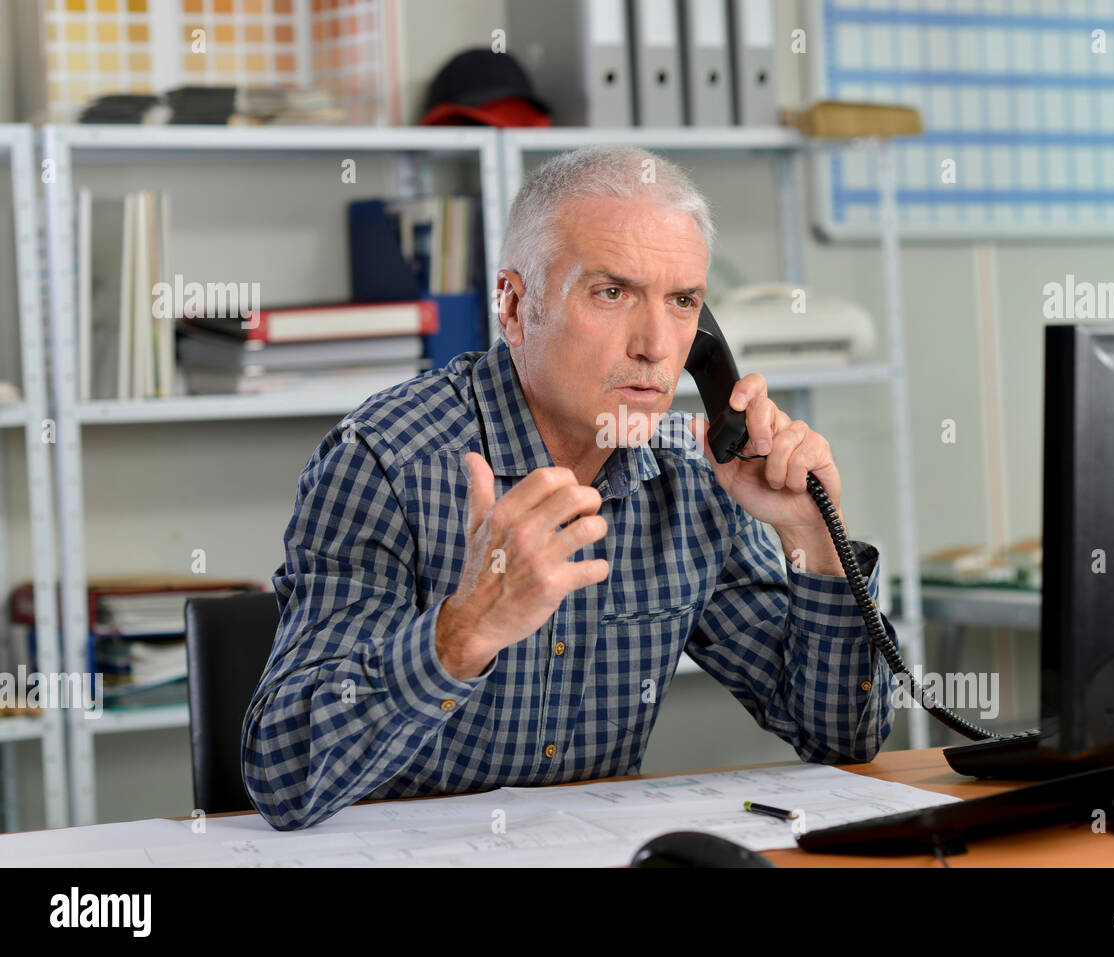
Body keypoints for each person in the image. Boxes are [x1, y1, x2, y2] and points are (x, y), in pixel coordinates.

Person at [241, 145, 898, 830]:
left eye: (682, 302)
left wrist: (815, 543)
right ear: (515, 306)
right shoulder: (385, 461)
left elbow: (841, 736)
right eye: (611, 293)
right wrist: (460, 635)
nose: (654, 345)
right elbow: (283, 774)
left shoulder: (692, 475)